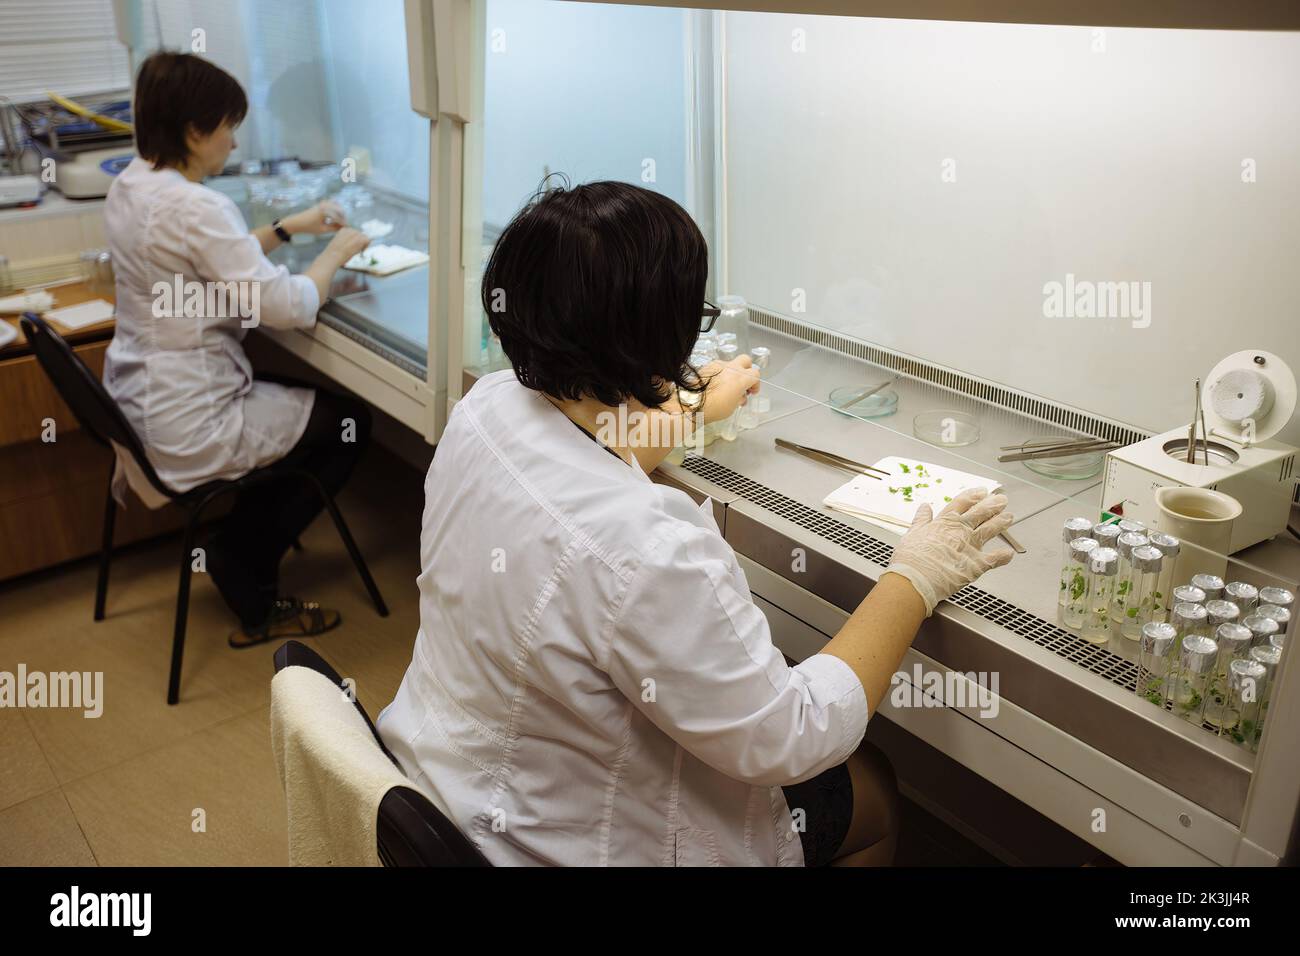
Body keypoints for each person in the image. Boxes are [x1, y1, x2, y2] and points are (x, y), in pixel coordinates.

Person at [377, 180, 1015, 866]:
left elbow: (578, 453)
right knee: (876, 789)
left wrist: (690, 409)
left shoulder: (485, 410)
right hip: (571, 842)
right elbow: (791, 737)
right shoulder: (647, 544)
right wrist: (916, 575)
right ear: (667, 334)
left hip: (441, 788)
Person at [103, 52, 374, 646]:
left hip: (138, 400)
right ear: (195, 132)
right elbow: (285, 307)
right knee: (350, 422)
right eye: (227, 125)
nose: (233, 139)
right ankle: (244, 564)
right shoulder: (199, 205)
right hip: (191, 416)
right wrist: (334, 256)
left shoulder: (133, 184)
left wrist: (284, 229)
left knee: (325, 417)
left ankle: (241, 546)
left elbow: (200, 254)